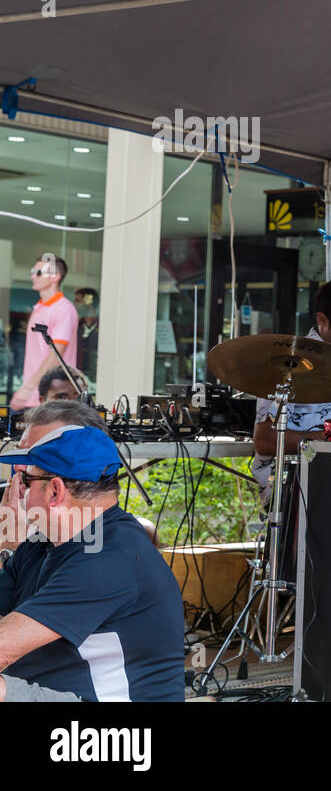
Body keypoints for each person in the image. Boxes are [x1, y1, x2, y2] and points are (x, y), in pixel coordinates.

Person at [0, 411, 184, 701]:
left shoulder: (111, 558)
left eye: (27, 479)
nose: (19, 489)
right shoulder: (42, 543)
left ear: (55, 491)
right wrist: (6, 546)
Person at [250, 276, 331, 502]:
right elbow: (265, 441)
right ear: (322, 320)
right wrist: (330, 440)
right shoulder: (288, 364)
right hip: (287, 487)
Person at [12, 255, 78, 409]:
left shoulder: (64, 309)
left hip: (53, 399)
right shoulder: (39, 308)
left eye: (39, 272)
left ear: (55, 277)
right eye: (33, 271)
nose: (33, 276)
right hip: (37, 398)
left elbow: (56, 354)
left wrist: (28, 388)